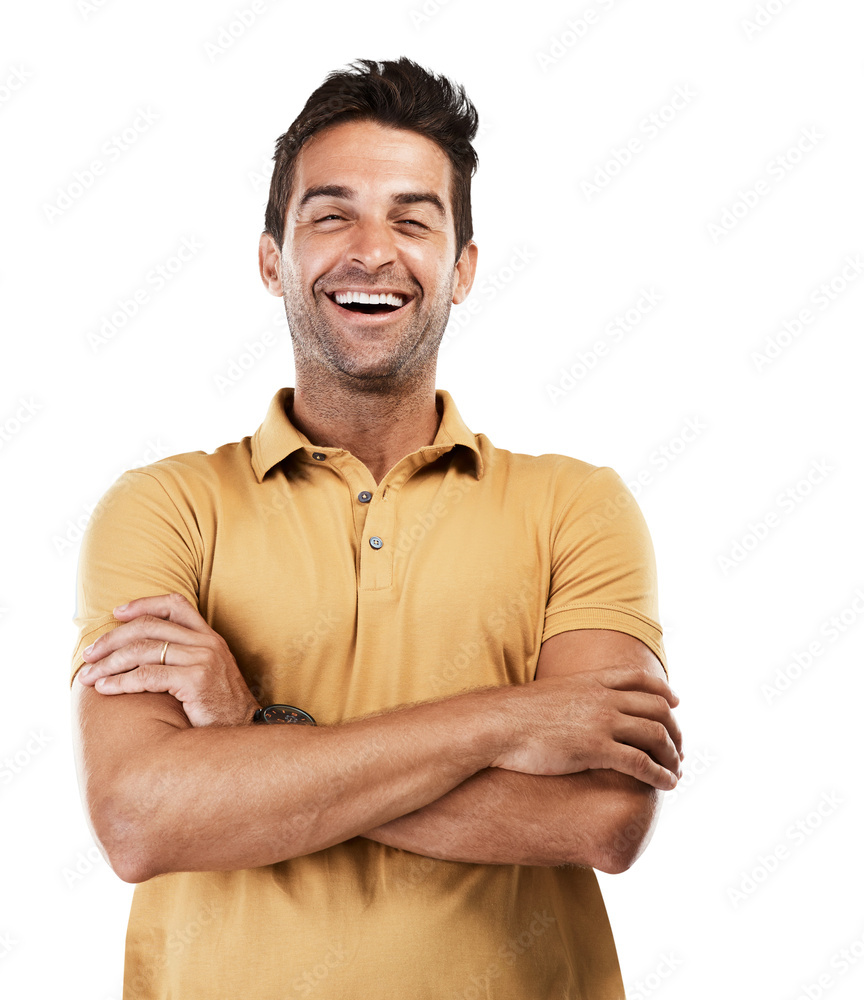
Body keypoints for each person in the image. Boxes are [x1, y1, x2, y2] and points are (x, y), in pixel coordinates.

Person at [70, 56, 683, 999]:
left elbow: (600, 819)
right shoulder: (165, 508)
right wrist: (513, 719)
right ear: (272, 260)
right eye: (331, 215)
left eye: (412, 218)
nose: (373, 250)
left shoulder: (578, 506)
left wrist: (249, 735)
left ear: (462, 268)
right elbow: (142, 821)